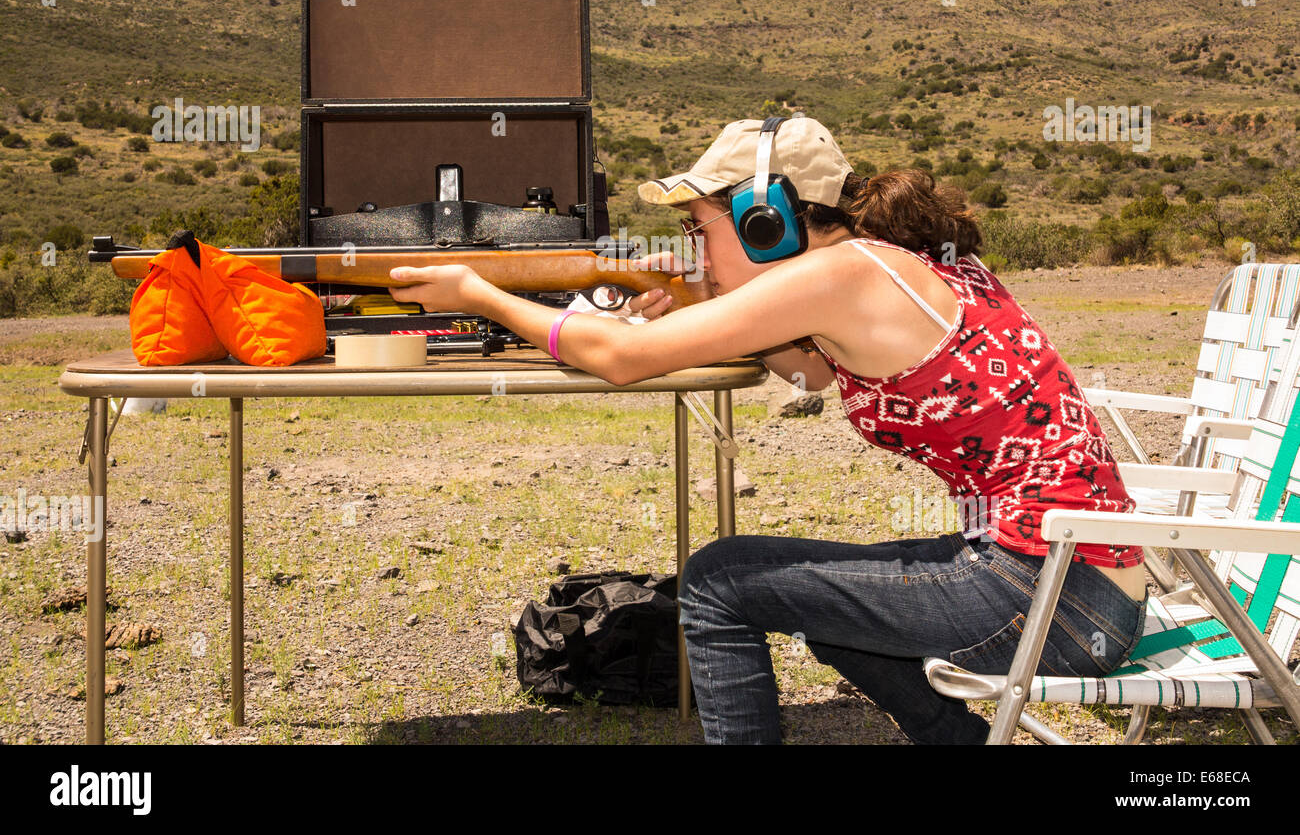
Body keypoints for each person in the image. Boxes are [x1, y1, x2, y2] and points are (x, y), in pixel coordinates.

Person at [388, 116, 1147, 744]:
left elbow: (616, 357)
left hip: (1054, 600)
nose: (696, 250)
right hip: (1079, 584)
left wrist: (478, 293)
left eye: (700, 229)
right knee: (824, 614)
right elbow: (812, 370)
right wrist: (696, 298)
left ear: (768, 219)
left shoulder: (843, 274)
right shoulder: (889, 265)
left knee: (720, 581)